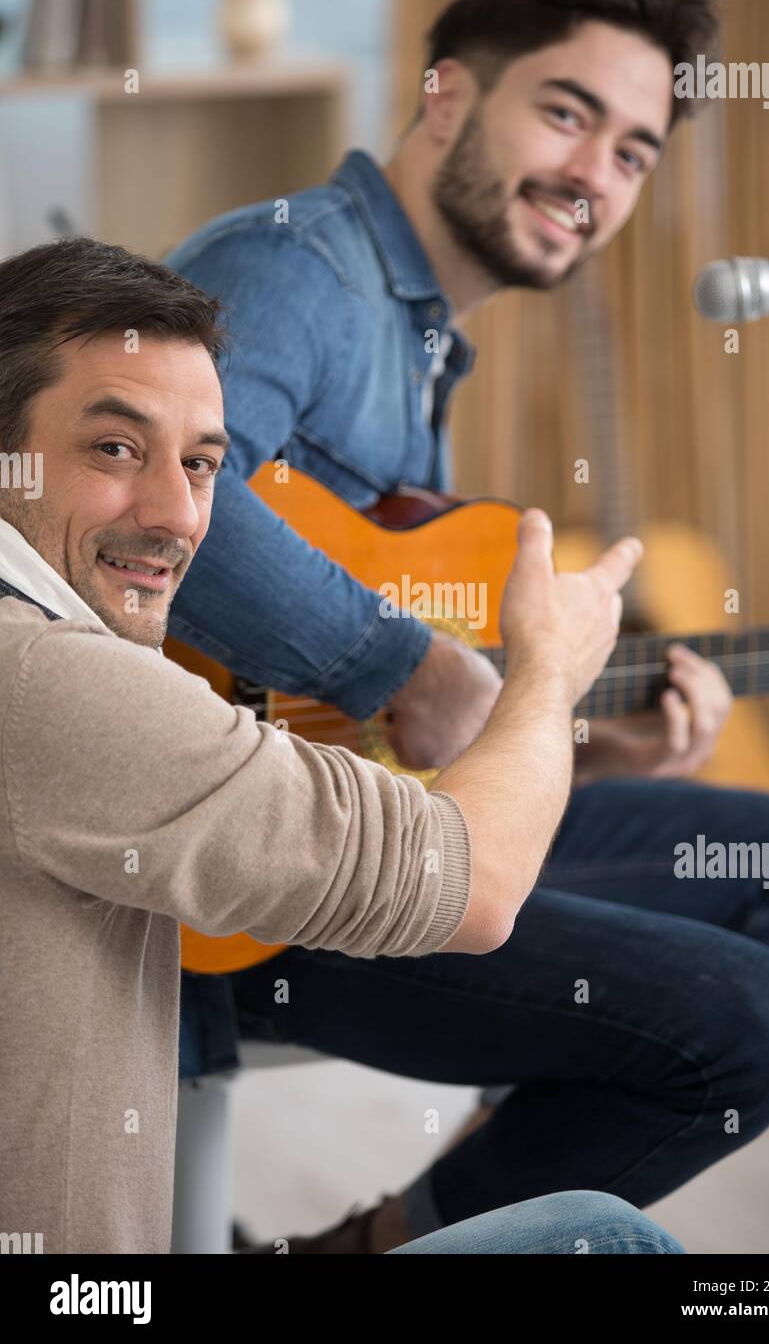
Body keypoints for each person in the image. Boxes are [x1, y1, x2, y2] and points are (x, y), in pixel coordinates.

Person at [165, 0, 769, 1253]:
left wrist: (567, 734)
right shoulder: (301, 268)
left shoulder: (413, 333)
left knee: (766, 859)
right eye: (567, 112)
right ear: (447, 96)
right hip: (245, 887)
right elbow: (170, 513)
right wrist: (406, 669)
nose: (596, 176)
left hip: (368, 815)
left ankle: (388, 1238)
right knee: (749, 1024)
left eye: (635, 152)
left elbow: (419, 711)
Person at [0, 236, 685, 1255]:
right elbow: (476, 884)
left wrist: (572, 739)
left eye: (200, 465)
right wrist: (548, 668)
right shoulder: (50, 679)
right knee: (609, 1236)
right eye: (113, 448)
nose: (175, 515)